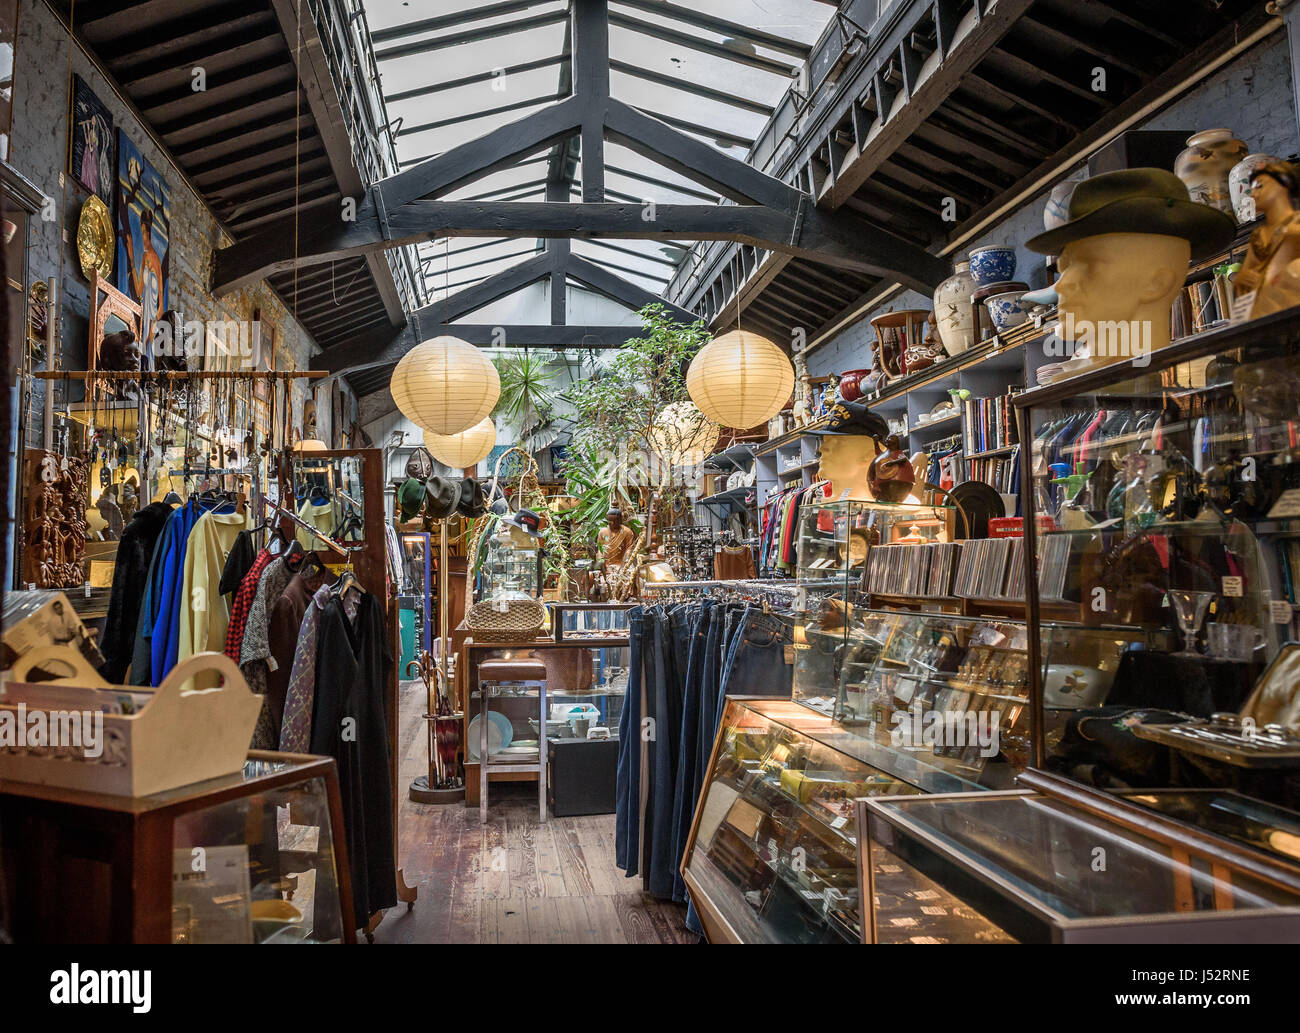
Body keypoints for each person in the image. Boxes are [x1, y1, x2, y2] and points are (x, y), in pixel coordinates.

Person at [1234, 160, 1300, 318]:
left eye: (1260, 186)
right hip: (1263, 318)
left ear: (1285, 185)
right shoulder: (1259, 235)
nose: (1253, 194)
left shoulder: (1295, 227)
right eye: (1252, 188)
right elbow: (1245, 277)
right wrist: (1242, 279)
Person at [596, 507, 635, 571]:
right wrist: (600, 559)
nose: (613, 523)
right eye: (610, 521)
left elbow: (629, 549)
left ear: (620, 520)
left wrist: (624, 563)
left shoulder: (627, 532)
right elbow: (600, 549)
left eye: (615, 521)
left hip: (620, 564)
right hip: (605, 565)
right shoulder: (602, 532)